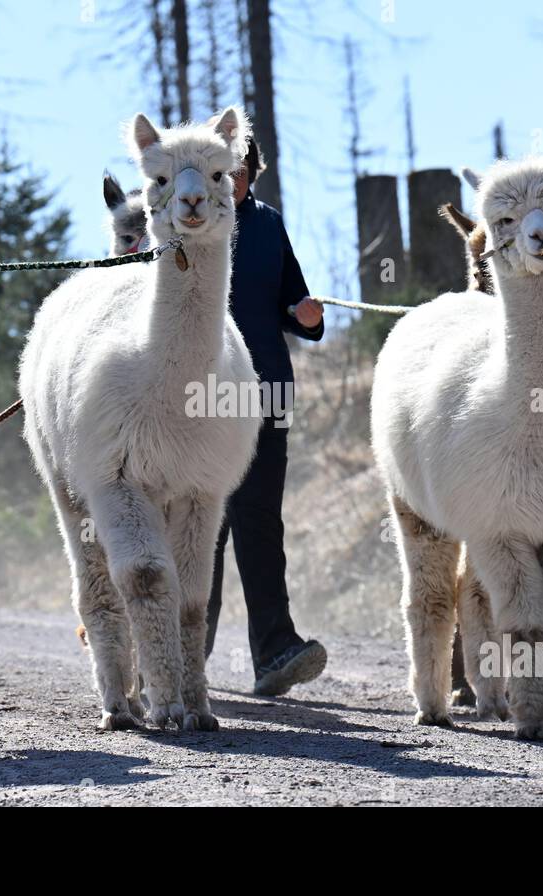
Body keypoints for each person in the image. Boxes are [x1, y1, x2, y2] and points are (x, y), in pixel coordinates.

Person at [203, 129, 329, 696]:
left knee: (259, 525)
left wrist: (306, 315)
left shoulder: (269, 223)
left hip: (266, 397)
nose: (233, 179)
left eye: (241, 168)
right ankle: (185, 652)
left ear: (254, 169)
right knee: (199, 529)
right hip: (199, 401)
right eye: (223, 169)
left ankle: (275, 652)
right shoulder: (190, 220)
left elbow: (294, 302)